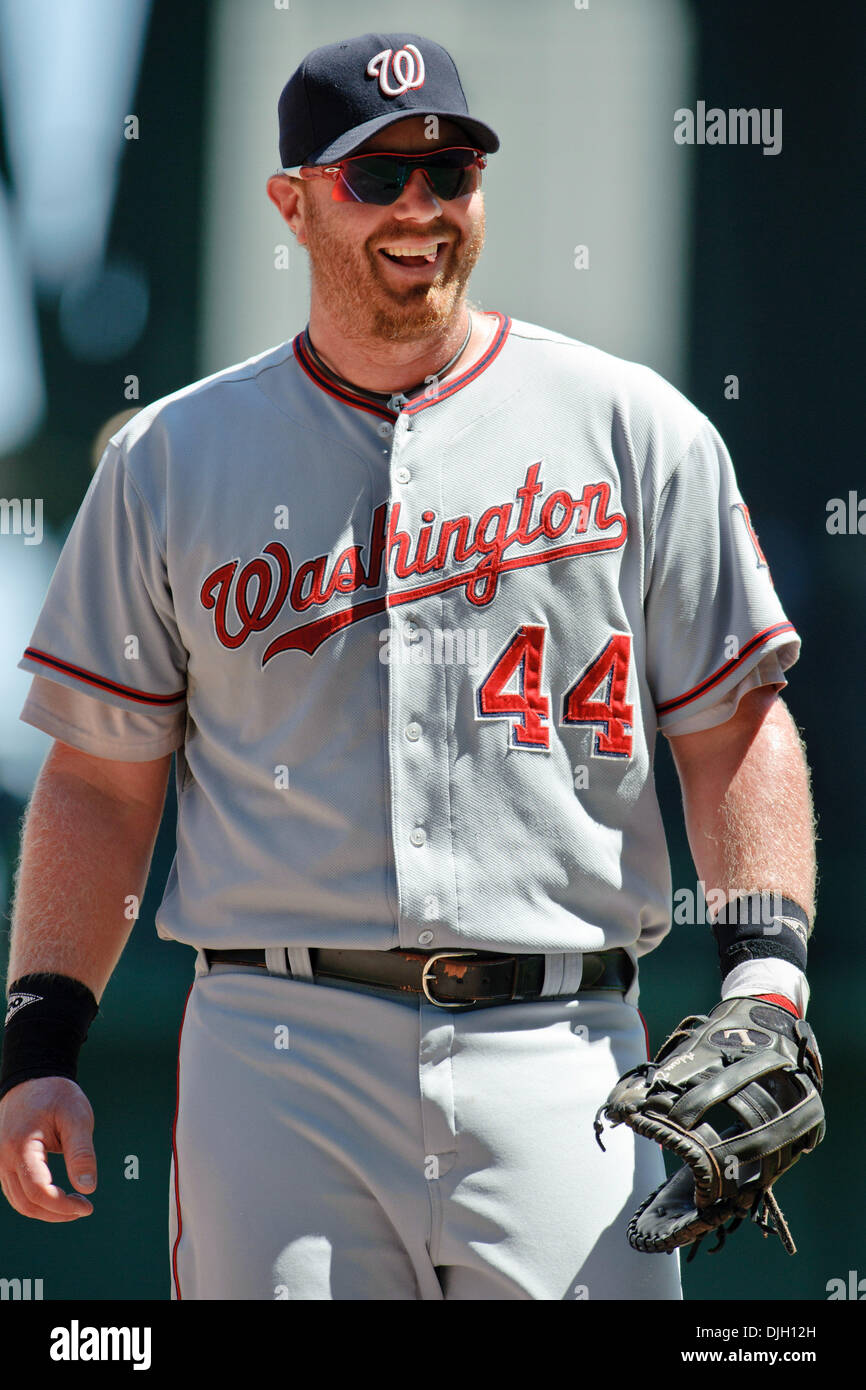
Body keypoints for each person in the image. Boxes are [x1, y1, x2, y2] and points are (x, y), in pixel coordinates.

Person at [0, 33, 816, 1301]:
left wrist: (765, 976)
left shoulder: (633, 425)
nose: (420, 206)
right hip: (276, 1050)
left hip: (566, 1047)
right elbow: (102, 782)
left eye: (449, 170)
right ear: (291, 201)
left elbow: (733, 722)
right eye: (373, 176)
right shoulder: (171, 457)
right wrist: (41, 1038)